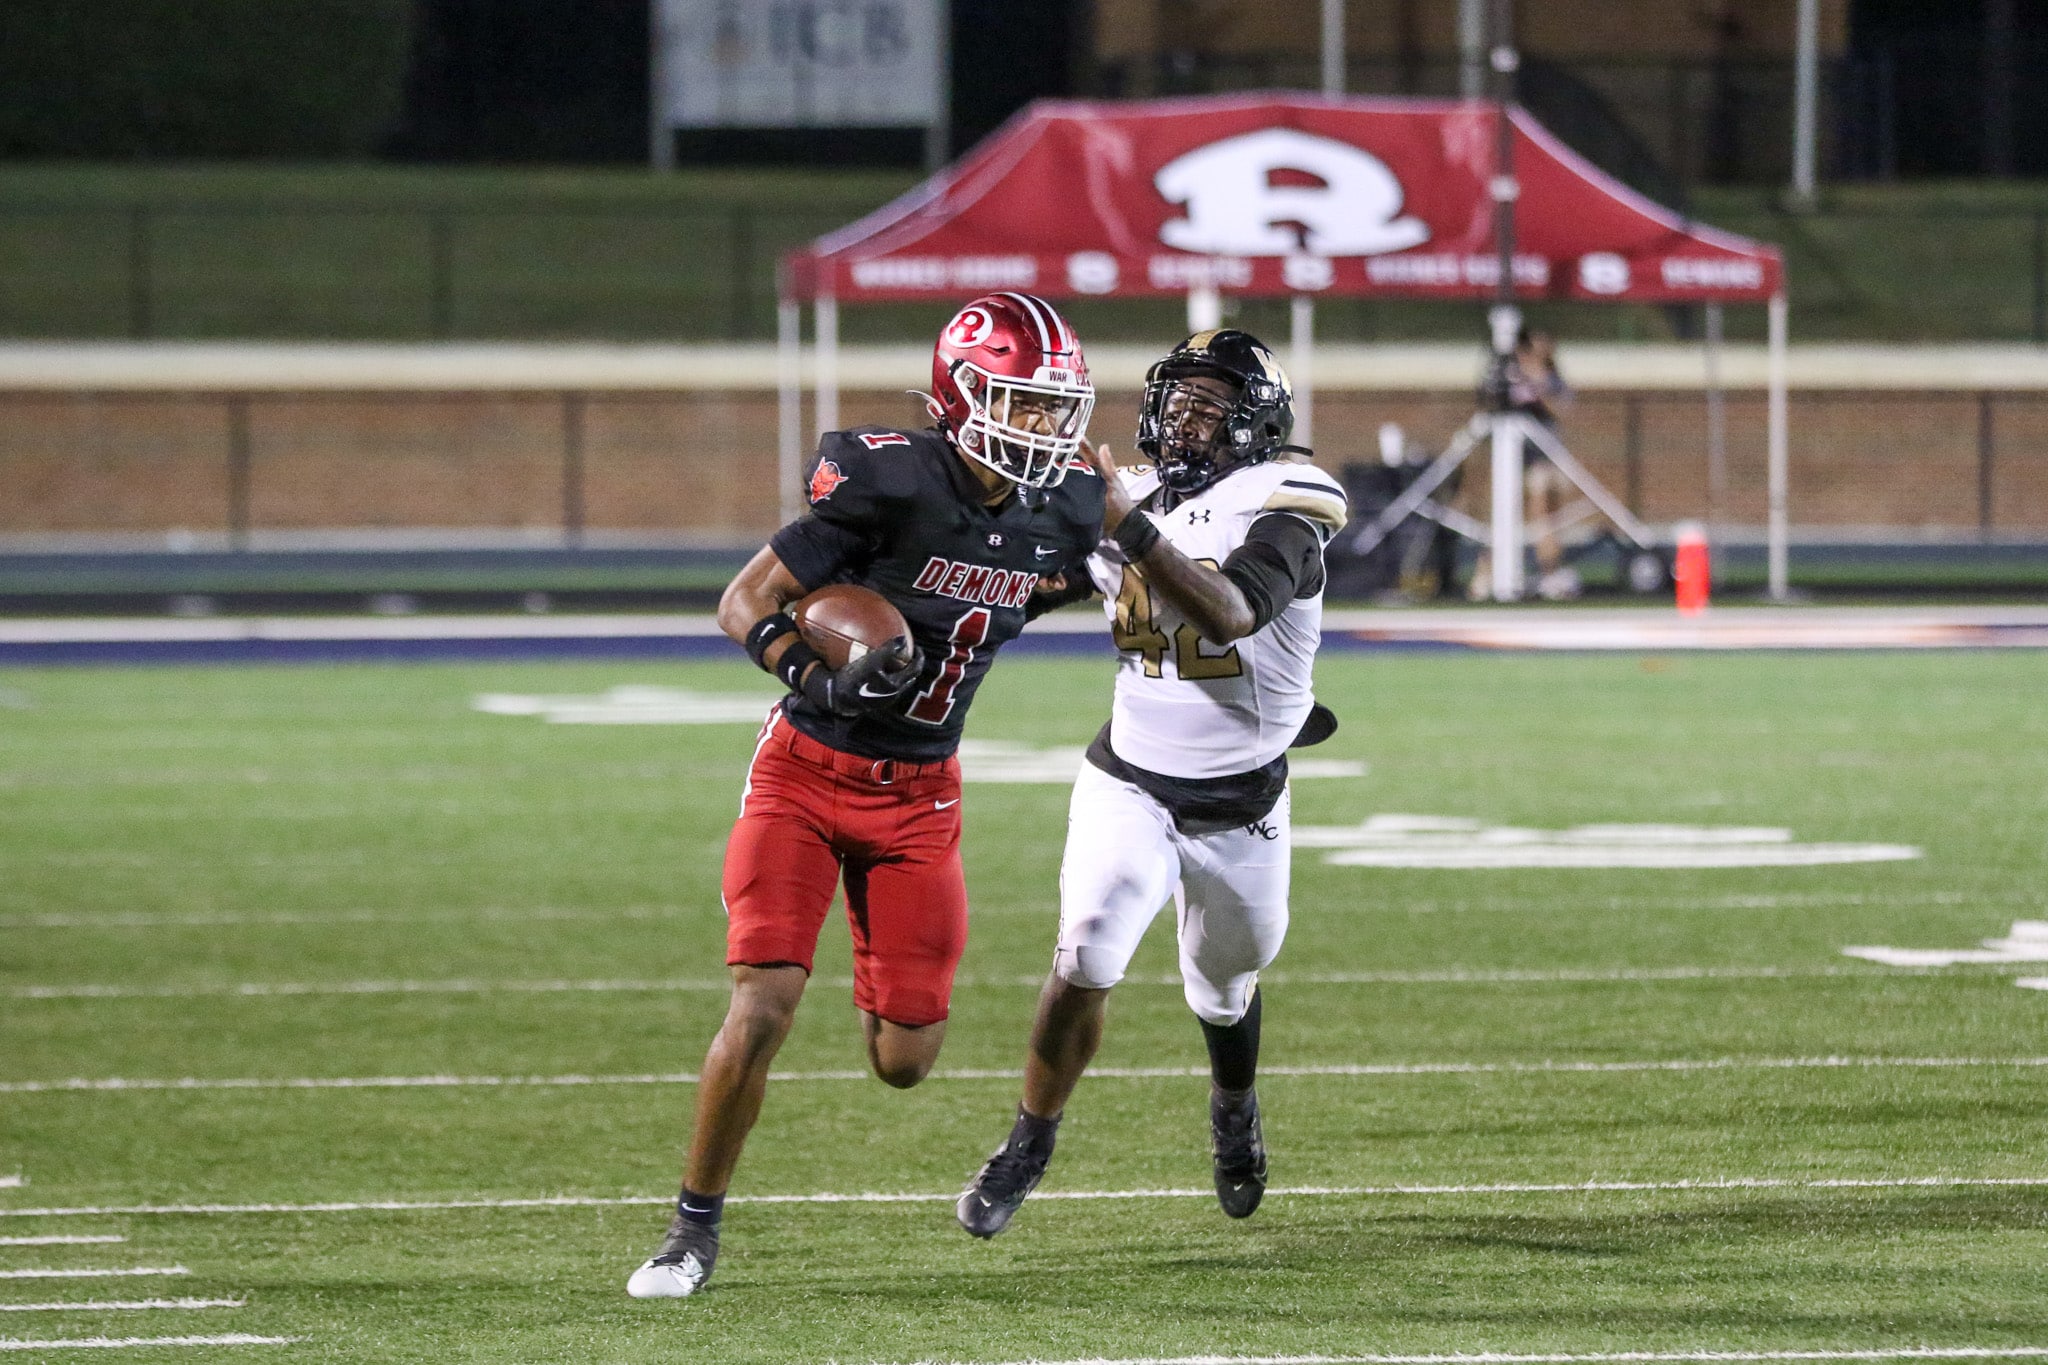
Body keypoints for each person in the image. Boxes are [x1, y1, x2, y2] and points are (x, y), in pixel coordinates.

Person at [627, 292, 1105, 1298]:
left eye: (1051, 408)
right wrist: (818, 673)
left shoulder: (1062, 507)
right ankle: (689, 1230)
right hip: (805, 773)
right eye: (1020, 405)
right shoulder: (889, 479)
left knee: (904, 1060)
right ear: (959, 396)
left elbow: (1066, 576)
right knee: (762, 1004)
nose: (1041, 428)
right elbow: (743, 602)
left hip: (921, 798)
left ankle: (872, 960)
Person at [955, 329, 1347, 1238]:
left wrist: (1126, 523)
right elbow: (1013, 582)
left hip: (1242, 799)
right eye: (1179, 403)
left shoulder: (1286, 498)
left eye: (1212, 409)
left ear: (1256, 428)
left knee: (1224, 982)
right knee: (1086, 949)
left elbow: (1234, 609)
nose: (1187, 422)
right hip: (1128, 778)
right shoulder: (1127, 497)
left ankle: (1234, 1106)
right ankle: (1030, 1139)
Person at [1471, 327, 1577, 600]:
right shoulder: (1506, 371)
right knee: (1502, 508)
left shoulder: (1550, 376)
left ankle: (1549, 571)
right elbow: (1487, 403)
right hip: (1511, 451)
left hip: (1542, 450)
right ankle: (1486, 572)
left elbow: (1563, 408)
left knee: (1546, 510)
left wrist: (1539, 383)